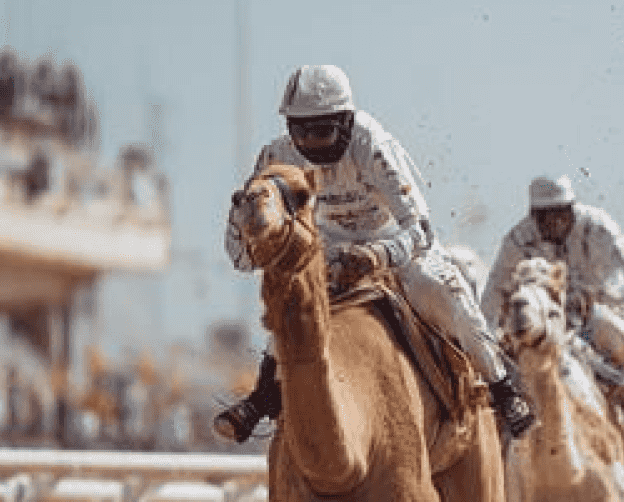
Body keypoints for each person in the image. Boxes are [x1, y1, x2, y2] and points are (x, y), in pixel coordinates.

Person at [213, 64, 535, 443]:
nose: (310, 143)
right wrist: (244, 227)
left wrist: (376, 256)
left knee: (443, 289)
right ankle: (265, 393)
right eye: (299, 130)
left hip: (394, 244)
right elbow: (242, 260)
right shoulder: (276, 158)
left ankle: (502, 387)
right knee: (291, 294)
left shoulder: (373, 144)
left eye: (321, 131)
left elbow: (421, 230)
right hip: (328, 250)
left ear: (347, 122)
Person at [480, 174, 624, 431]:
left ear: (571, 209)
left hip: (600, 311)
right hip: (547, 321)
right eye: (546, 215)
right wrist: (486, 340)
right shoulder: (518, 239)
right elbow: (494, 291)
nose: (555, 221)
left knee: (608, 325)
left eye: (560, 212)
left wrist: (598, 293)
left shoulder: (598, 226)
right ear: (534, 215)